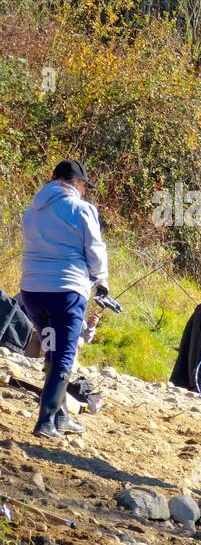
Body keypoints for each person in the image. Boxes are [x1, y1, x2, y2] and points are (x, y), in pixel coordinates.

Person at [19, 160, 109, 439]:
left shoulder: (32, 210)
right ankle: (46, 421)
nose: (84, 190)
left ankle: (60, 416)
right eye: (84, 185)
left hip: (32, 291)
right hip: (66, 291)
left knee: (52, 349)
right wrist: (101, 281)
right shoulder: (82, 209)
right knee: (65, 356)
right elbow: (95, 250)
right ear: (76, 183)